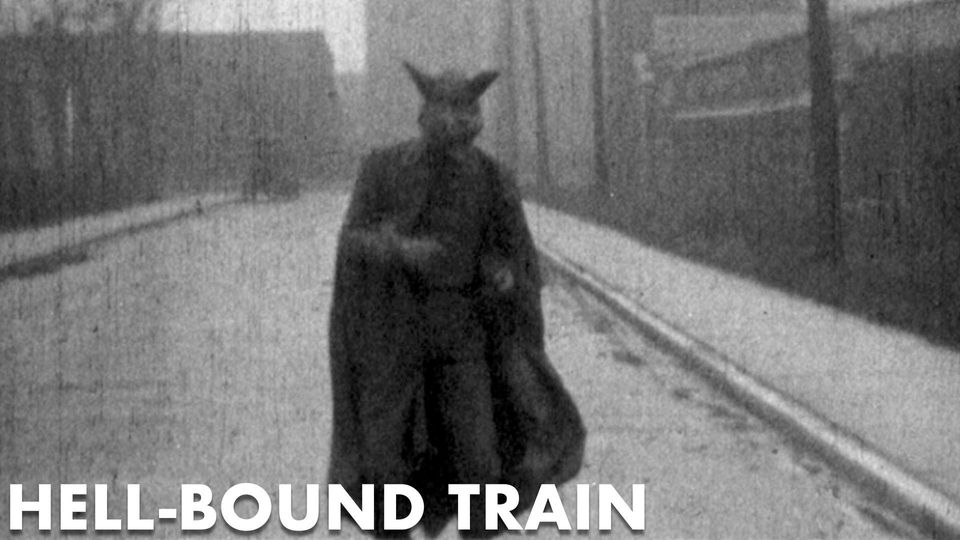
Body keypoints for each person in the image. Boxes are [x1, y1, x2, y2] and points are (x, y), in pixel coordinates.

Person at [327, 61, 585, 538]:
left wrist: (502, 275)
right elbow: (351, 240)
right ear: (424, 112)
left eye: (466, 109)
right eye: (445, 107)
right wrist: (401, 250)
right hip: (395, 341)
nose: (455, 119)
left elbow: (518, 257)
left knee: (480, 466)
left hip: (462, 341)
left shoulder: (492, 178)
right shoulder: (383, 168)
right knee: (387, 469)